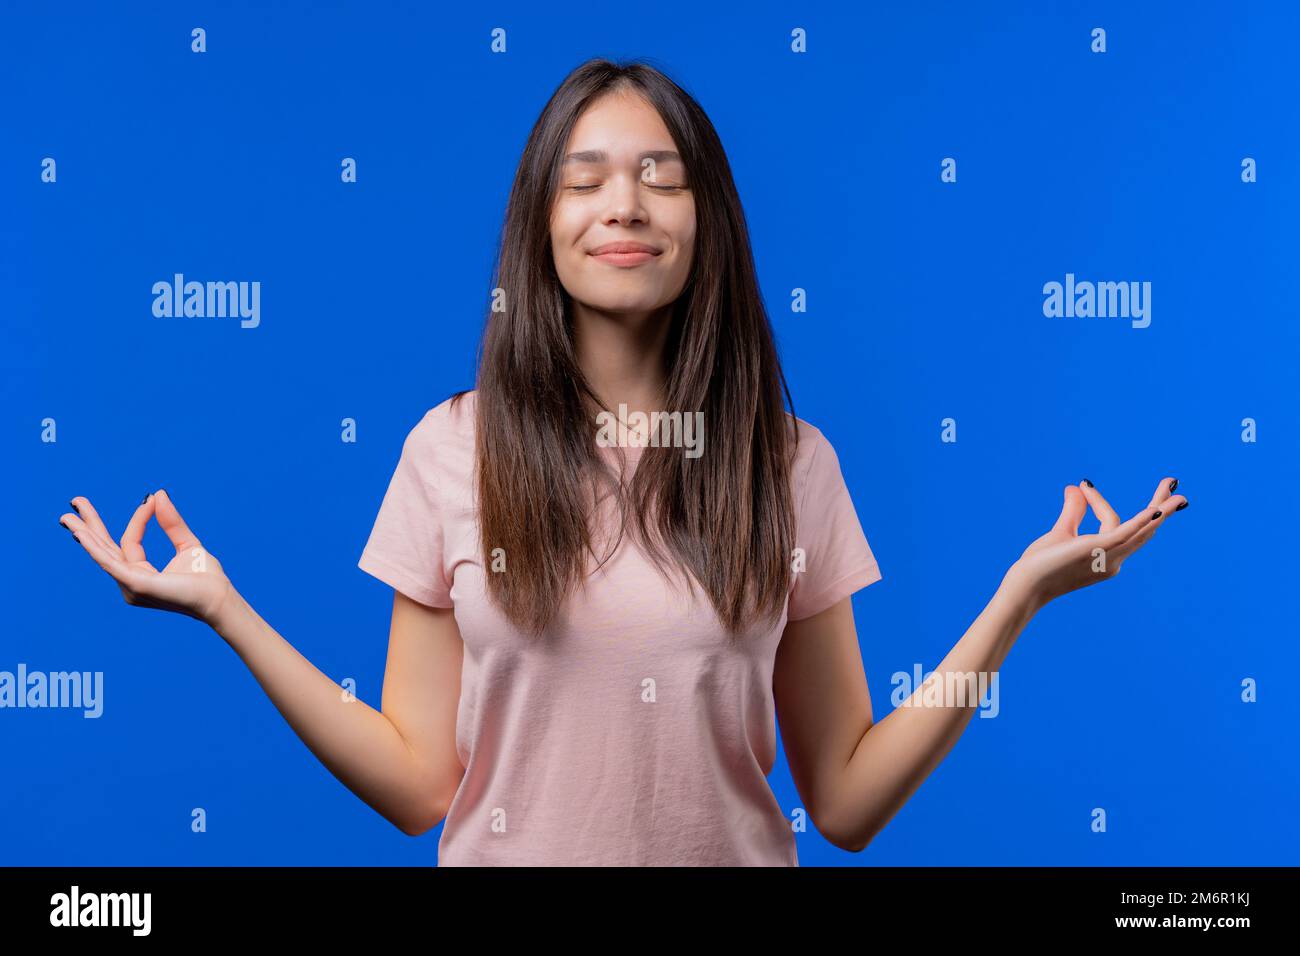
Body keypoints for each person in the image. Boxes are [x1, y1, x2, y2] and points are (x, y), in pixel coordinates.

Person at [57, 58, 1187, 866]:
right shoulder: (449, 449)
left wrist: (1019, 597)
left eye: (661, 174)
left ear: (708, 220)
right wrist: (225, 609)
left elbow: (843, 798)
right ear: (539, 224)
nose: (624, 205)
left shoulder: (789, 463)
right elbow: (414, 784)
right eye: (585, 176)